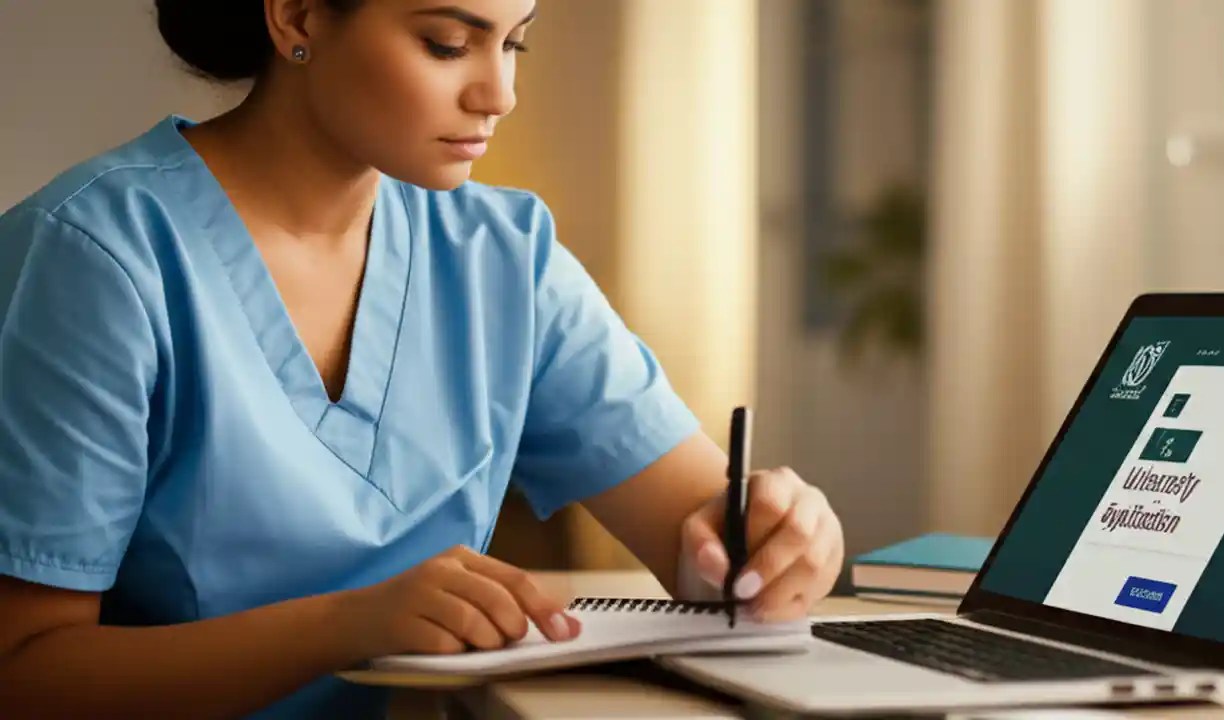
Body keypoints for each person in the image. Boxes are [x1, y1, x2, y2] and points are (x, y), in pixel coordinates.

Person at [0, 0, 845, 717]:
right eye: (447, 44)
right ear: (297, 15)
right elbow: (25, 672)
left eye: (513, 43)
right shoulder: (95, 257)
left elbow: (701, 539)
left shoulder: (505, 257)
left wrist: (779, 545)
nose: (500, 93)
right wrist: (345, 627)